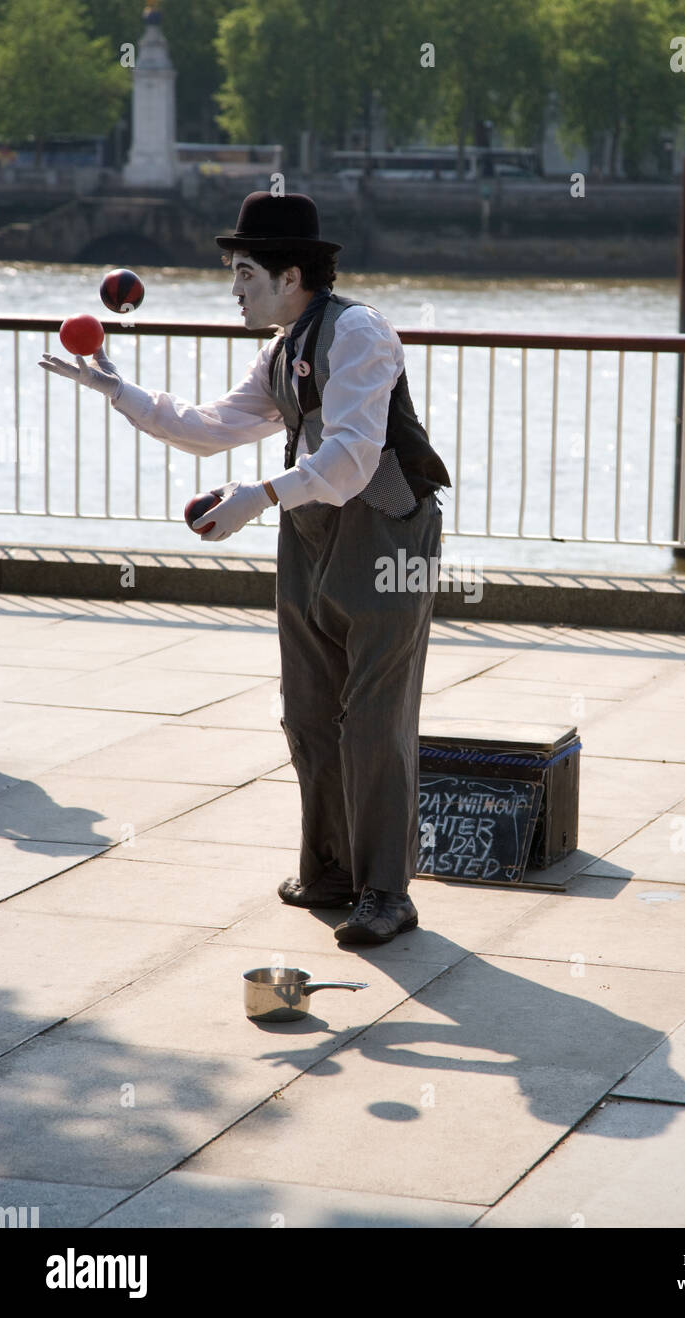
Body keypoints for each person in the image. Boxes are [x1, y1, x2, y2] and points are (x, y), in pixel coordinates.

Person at [39, 192, 451, 946]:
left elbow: (354, 458)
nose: (233, 288)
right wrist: (116, 389)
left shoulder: (359, 332)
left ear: (292, 274)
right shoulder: (283, 347)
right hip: (311, 527)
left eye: (244, 273)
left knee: (374, 719)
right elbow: (211, 429)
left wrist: (256, 498)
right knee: (307, 707)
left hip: (388, 533)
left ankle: (386, 892)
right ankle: (329, 869)